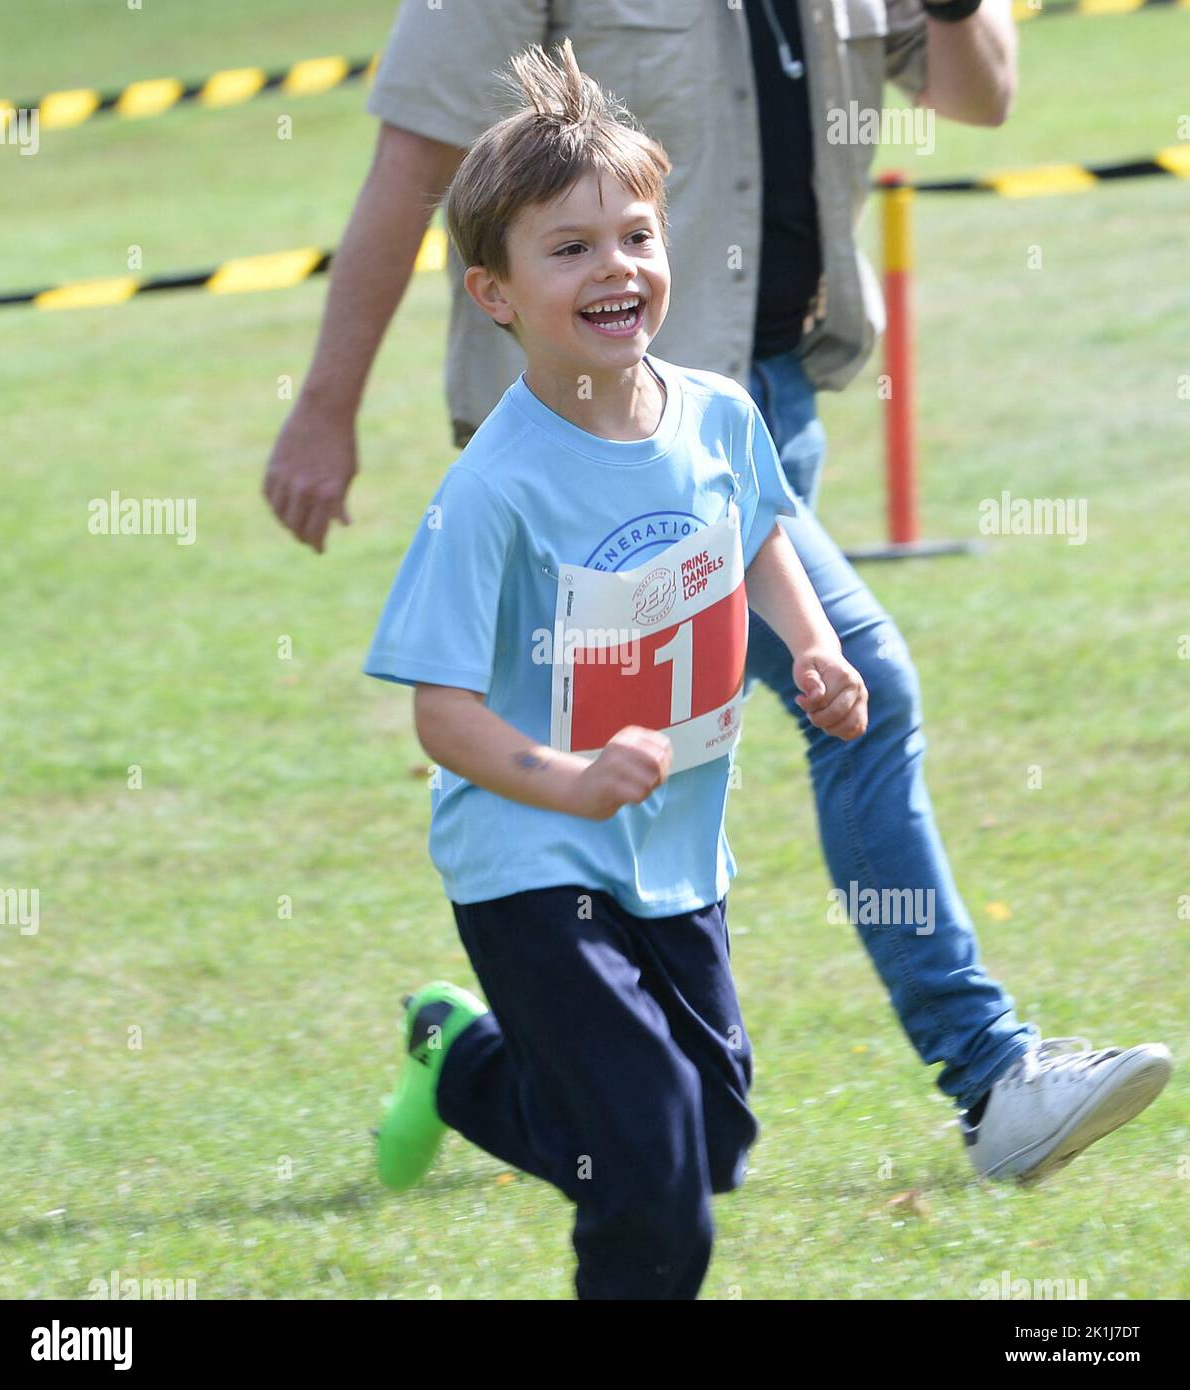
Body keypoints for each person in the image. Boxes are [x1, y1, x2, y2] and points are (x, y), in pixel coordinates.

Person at [266, 0, 1171, 1183]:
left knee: (778, 743)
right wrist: (326, 401)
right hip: (583, 442)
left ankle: (495, 1063)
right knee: (799, 719)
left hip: (756, 412)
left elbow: (976, 93)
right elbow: (414, 153)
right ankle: (986, 1075)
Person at [365, 41, 868, 1300]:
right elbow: (440, 712)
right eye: (571, 247)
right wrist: (569, 776)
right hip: (534, 859)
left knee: (710, 1136)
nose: (617, 267)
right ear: (495, 291)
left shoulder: (716, 416)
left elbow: (756, 536)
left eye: (635, 235)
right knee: (650, 1176)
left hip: (676, 848)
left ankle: (464, 1066)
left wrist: (813, 648)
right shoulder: (494, 485)